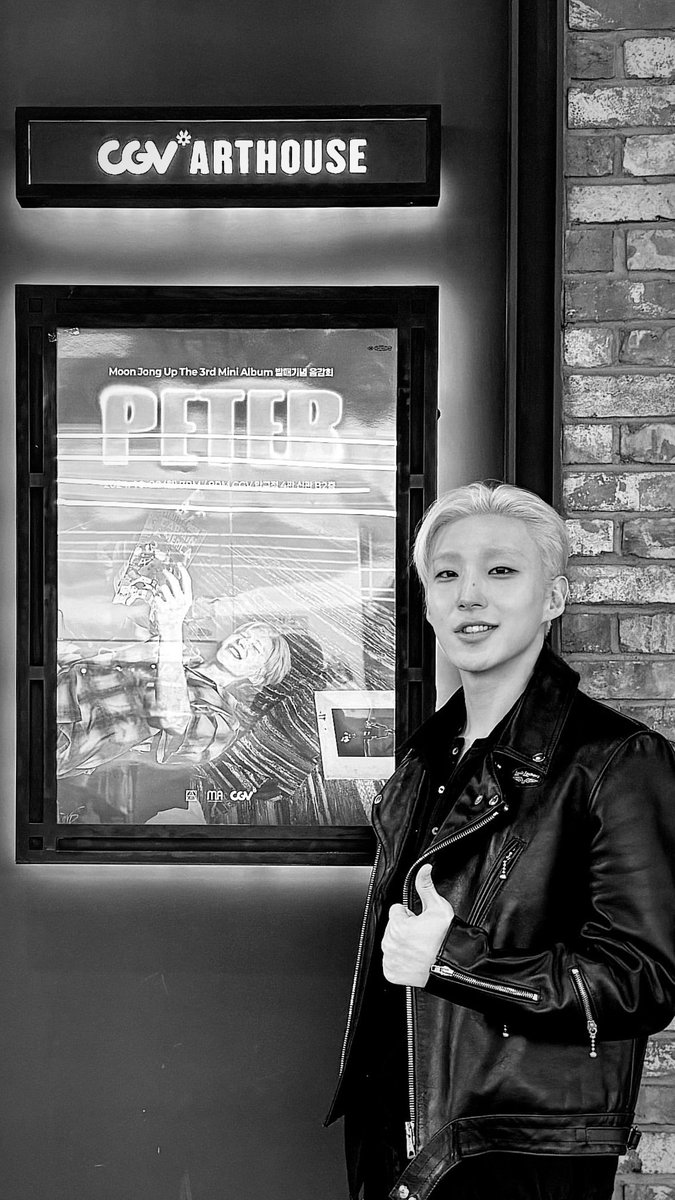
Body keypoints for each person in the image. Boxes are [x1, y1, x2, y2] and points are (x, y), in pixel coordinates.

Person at [325, 481, 675, 1200]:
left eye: (501, 571)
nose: (469, 595)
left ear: (553, 598)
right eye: (446, 574)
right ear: (427, 602)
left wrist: (454, 960)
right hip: (399, 1142)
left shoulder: (614, 761)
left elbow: (644, 980)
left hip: (512, 1152)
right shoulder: (423, 763)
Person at [57, 564, 291, 778]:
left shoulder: (224, 724)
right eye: (243, 634)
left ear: (257, 676)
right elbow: (93, 659)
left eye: (256, 648)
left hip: (59, 736)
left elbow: (173, 720)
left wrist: (171, 627)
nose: (243, 642)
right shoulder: (177, 652)